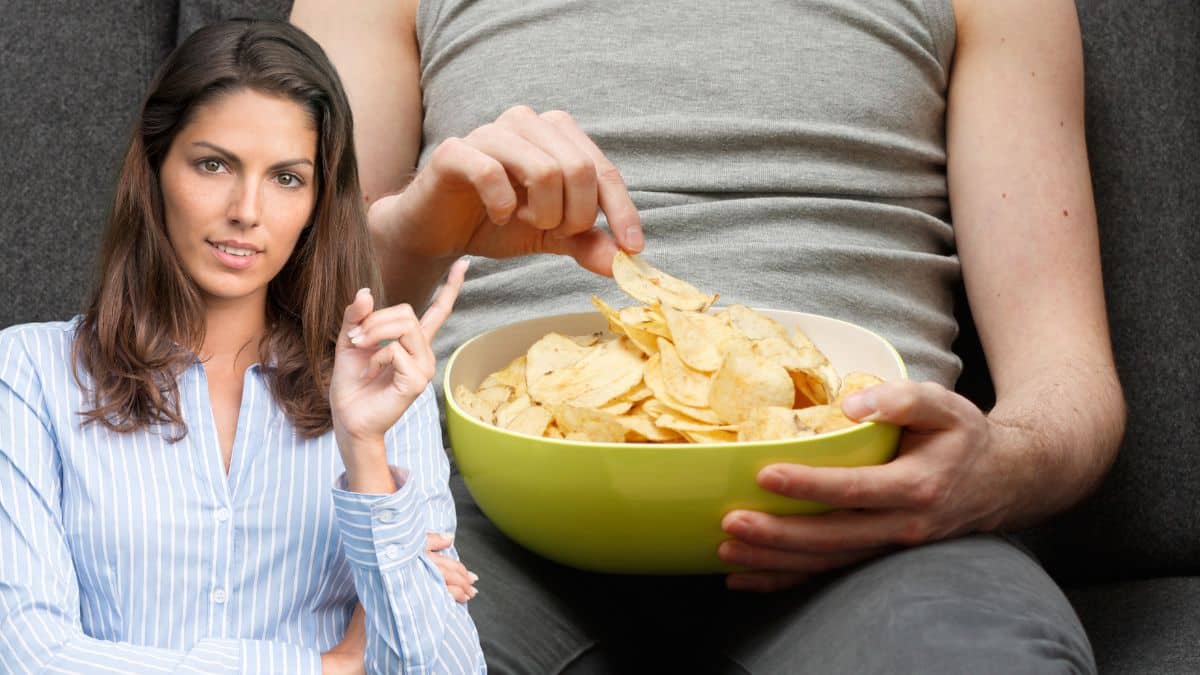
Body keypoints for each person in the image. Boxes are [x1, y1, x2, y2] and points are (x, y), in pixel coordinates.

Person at [293, 0, 1126, 672]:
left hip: (870, 525)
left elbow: (1068, 379)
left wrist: (995, 467)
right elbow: (274, 336)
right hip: (482, 516)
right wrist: (411, 236)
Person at [0, 19, 485, 675]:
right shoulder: (28, 373)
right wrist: (331, 666)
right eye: (214, 164)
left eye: (286, 178)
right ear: (154, 167)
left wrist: (365, 450)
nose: (246, 210)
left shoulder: (385, 389)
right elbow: (29, 656)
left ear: (318, 200)